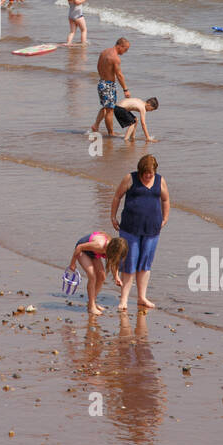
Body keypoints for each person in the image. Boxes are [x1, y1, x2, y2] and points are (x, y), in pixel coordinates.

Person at [110, 154, 169, 310]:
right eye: (145, 173)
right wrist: (113, 217)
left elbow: (165, 200)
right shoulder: (130, 178)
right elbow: (117, 197)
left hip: (152, 229)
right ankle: (123, 300)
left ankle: (142, 297)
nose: (148, 176)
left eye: (150, 173)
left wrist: (165, 218)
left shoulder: (160, 180)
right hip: (130, 229)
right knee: (129, 263)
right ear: (140, 170)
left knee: (145, 264)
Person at [67, 232, 129, 316]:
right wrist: (72, 264)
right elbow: (79, 247)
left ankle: (92, 302)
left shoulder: (109, 249)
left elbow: (114, 263)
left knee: (102, 276)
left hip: (93, 253)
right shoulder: (99, 245)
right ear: (112, 250)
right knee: (92, 276)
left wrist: (116, 277)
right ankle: (91, 307)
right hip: (82, 250)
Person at [90, 38, 131, 136]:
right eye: (126, 49)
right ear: (120, 46)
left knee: (106, 107)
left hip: (101, 83)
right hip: (108, 85)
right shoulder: (115, 58)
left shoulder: (104, 52)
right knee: (110, 110)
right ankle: (111, 133)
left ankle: (96, 125)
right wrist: (125, 89)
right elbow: (119, 75)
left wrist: (103, 78)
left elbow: (98, 66)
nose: (125, 52)